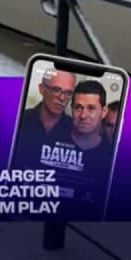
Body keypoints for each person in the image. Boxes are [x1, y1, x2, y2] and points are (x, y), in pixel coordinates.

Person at [39, 80, 115, 219]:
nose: (83, 115)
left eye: (91, 108)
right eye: (78, 107)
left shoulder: (110, 157)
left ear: (104, 112)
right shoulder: (48, 141)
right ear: (72, 109)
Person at [11, 69, 76, 171]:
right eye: (56, 90)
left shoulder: (76, 130)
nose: (62, 98)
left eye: (68, 93)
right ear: (42, 89)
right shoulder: (19, 120)